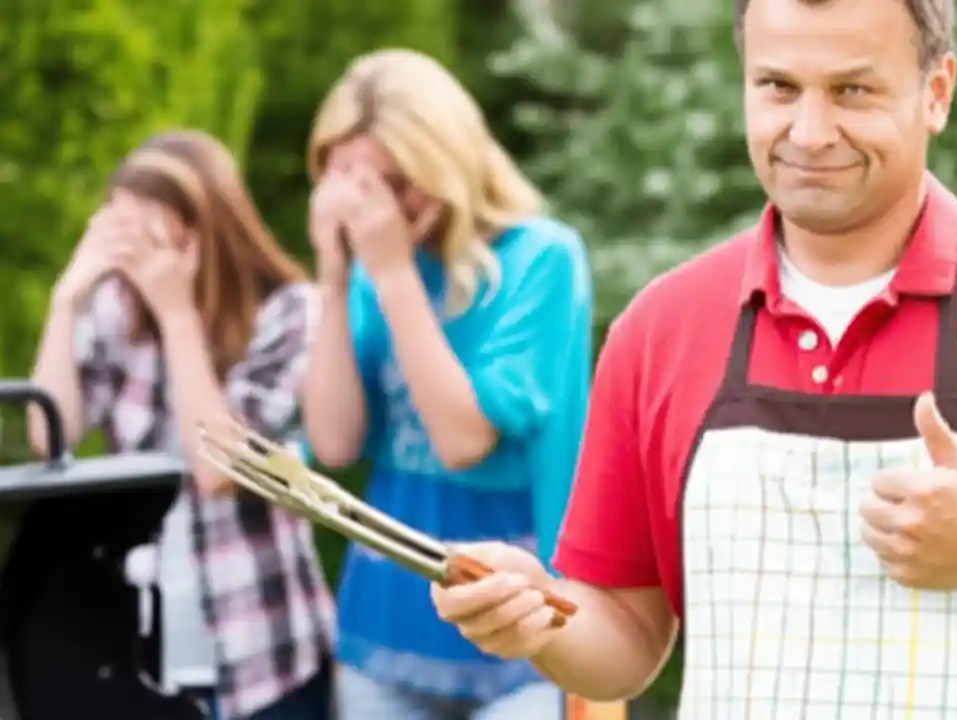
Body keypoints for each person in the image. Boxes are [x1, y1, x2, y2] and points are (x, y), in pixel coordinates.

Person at [428, 0, 957, 716]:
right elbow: (628, 636)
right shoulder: (660, 328)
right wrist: (538, 614)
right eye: (779, 87)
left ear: (937, 93)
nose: (810, 131)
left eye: (853, 91)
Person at [298, 49, 593, 719]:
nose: (380, 210)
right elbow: (335, 442)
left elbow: (463, 440)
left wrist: (393, 273)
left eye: (396, 183)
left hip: (519, 631)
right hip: (386, 626)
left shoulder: (540, 258)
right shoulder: (371, 268)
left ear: (446, 163)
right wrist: (336, 275)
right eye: (352, 186)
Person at [23, 130, 334, 719]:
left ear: (203, 227)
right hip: (147, 644)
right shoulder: (119, 309)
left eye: (153, 226)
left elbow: (221, 469)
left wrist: (177, 315)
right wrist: (68, 298)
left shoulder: (291, 311)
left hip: (261, 647)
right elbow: (50, 433)